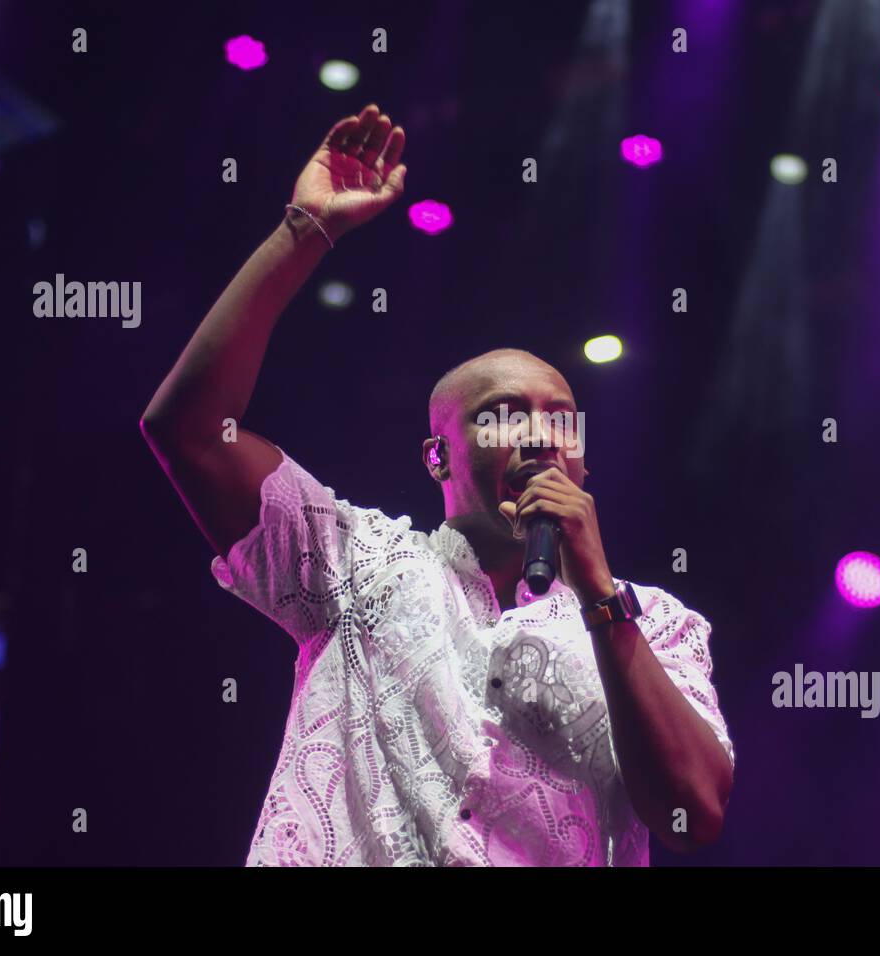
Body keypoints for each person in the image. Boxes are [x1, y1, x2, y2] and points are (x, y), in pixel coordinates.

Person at [140, 104, 734, 866]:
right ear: (438, 457)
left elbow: (694, 815)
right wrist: (303, 231)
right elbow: (188, 429)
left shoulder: (656, 621)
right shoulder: (352, 562)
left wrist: (600, 598)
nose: (538, 433)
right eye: (502, 415)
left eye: (561, 418)